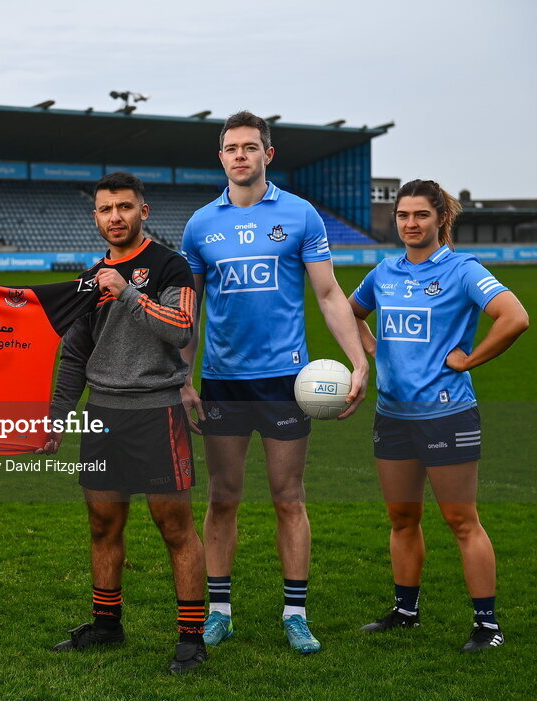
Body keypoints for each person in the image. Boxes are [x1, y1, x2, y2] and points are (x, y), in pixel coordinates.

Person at [180, 110, 369, 654]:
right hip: (223, 382)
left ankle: (295, 614)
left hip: (287, 381)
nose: (240, 155)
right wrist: (185, 380)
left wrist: (358, 361)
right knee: (223, 498)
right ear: (221, 157)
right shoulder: (200, 225)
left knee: (288, 497)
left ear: (268, 154)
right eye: (231, 148)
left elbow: (328, 294)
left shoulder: (300, 214)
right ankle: (219, 612)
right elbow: (190, 313)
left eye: (249, 147)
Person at [349, 179, 527, 652]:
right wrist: (371, 347)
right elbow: (350, 312)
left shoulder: (463, 270)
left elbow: (515, 317)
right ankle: (406, 612)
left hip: (447, 414)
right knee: (402, 517)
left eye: (421, 215)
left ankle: (487, 625)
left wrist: (469, 360)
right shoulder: (383, 272)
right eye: (403, 215)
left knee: (461, 520)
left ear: (440, 218)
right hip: (392, 414)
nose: (410, 223)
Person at [43, 171, 207, 675]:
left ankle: (191, 639)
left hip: (158, 413)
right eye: (106, 209)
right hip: (103, 416)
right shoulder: (90, 279)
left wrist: (129, 294)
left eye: (124, 207)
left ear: (143, 211)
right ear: (95, 216)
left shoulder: (170, 266)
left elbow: (182, 329)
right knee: (102, 525)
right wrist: (56, 418)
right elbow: (75, 356)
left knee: (174, 527)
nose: (115, 217)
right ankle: (106, 625)